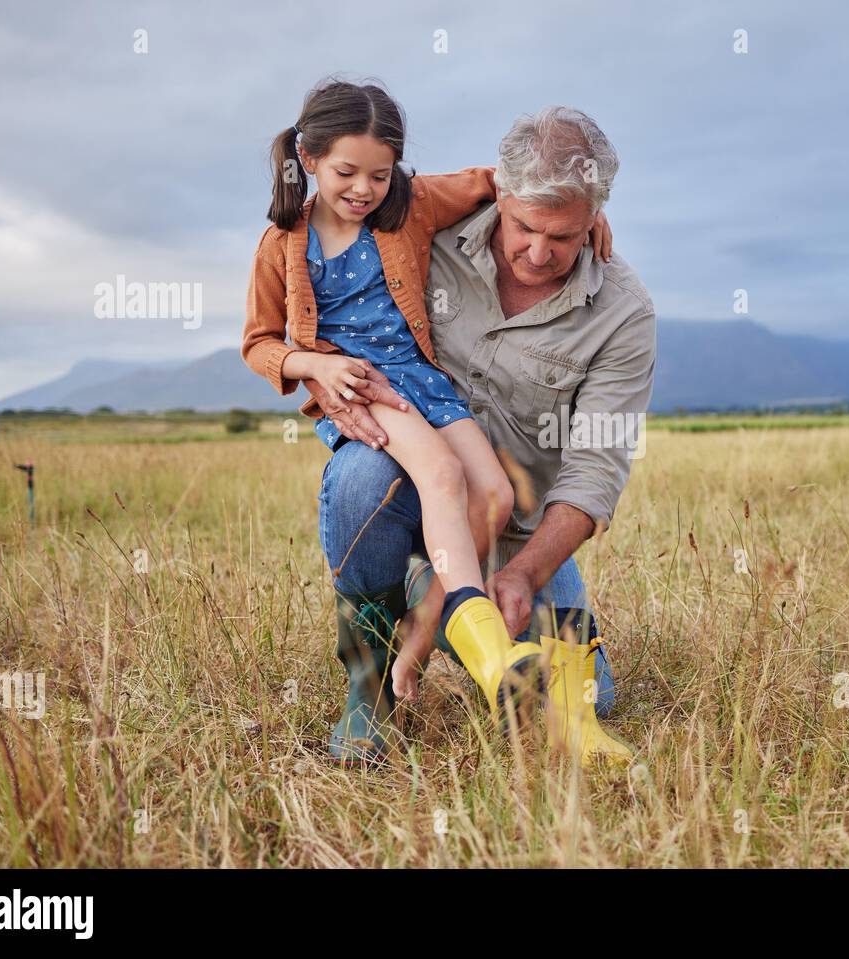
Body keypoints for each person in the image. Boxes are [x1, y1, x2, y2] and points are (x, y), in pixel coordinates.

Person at [242, 80, 612, 764]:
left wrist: (581, 220)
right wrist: (313, 368)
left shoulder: (406, 207)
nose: (363, 189)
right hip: (361, 386)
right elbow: (259, 342)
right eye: (346, 172)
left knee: (496, 493)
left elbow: (497, 183)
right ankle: (475, 657)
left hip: (423, 380)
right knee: (440, 475)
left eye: (380, 174)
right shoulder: (281, 243)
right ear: (307, 157)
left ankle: (421, 635)